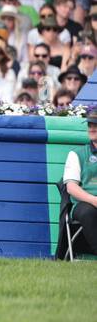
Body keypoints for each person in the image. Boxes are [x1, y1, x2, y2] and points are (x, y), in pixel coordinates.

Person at [59, 107, 97, 257]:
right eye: (90, 125)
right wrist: (94, 200)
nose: (92, 129)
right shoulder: (76, 154)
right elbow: (71, 188)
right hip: (85, 203)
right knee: (88, 212)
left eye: (96, 125)